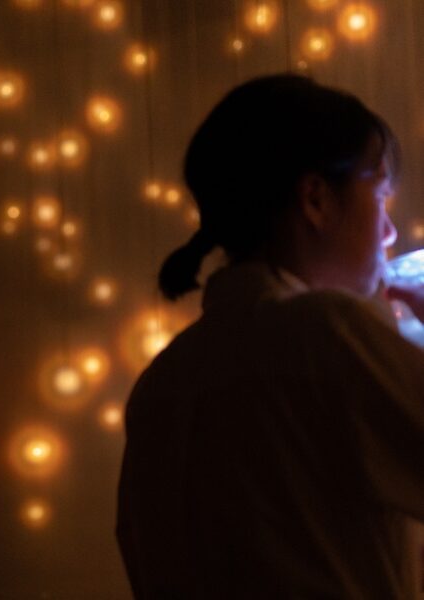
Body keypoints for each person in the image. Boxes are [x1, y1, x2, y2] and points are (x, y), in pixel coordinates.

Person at [116, 74, 424, 598]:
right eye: (381, 195)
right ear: (315, 200)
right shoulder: (330, 334)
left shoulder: (160, 381)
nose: (390, 232)